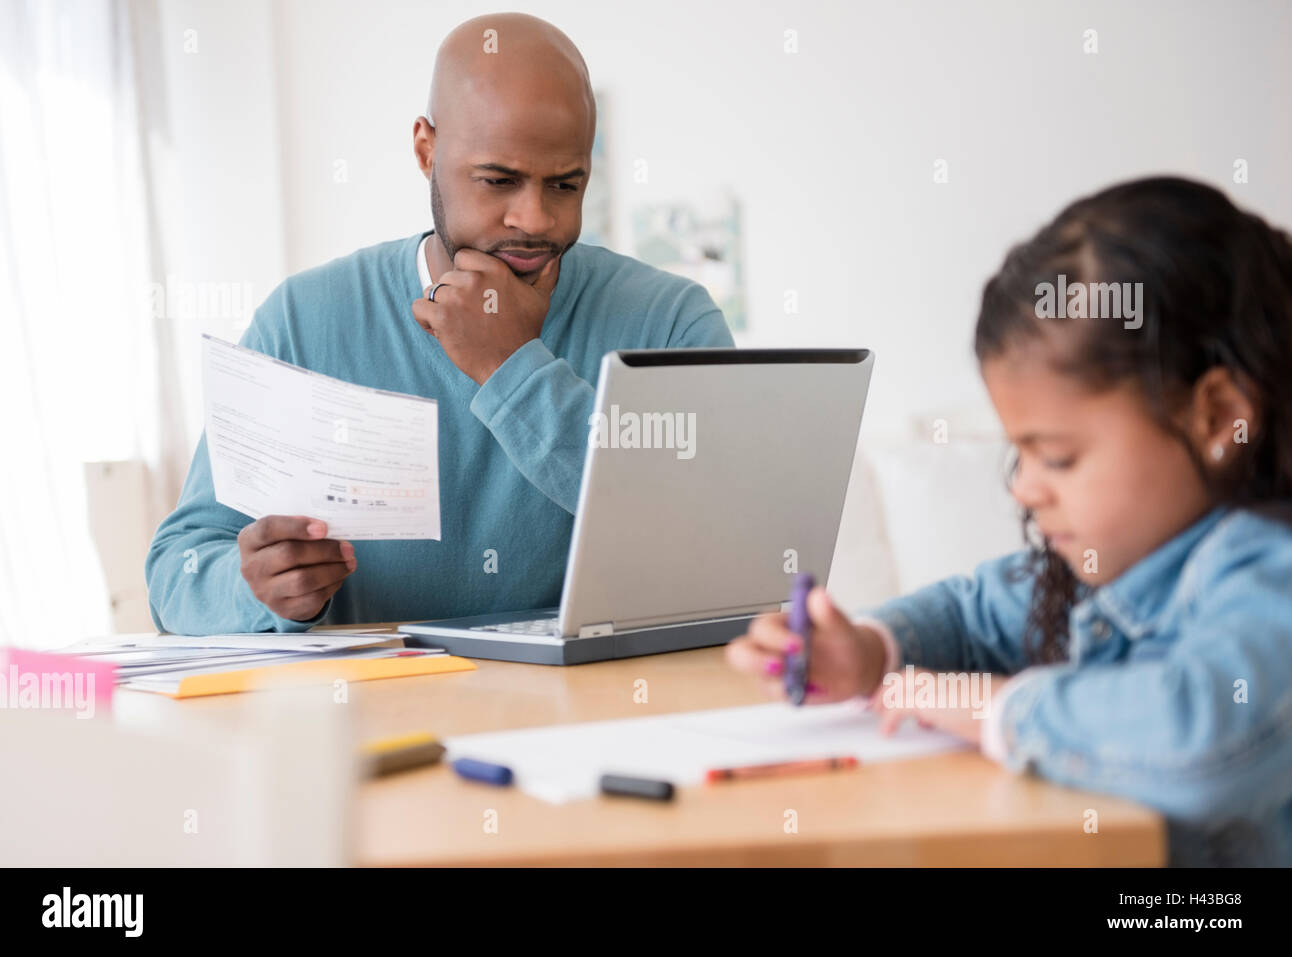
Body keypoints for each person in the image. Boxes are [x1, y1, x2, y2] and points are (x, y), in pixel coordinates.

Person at [727, 176, 1292, 866]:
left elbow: (1207, 739)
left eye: (1055, 456)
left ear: (1218, 418)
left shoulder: (1269, 569)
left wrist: (997, 709)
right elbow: (972, 613)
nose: (1024, 487)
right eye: (1018, 452)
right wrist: (869, 651)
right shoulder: (1113, 561)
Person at [146, 13, 733, 634]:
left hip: (591, 718)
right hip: (376, 722)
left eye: (566, 184)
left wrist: (513, 368)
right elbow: (174, 573)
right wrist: (253, 591)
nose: (534, 220)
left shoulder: (670, 322)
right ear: (427, 148)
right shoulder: (303, 321)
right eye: (499, 180)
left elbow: (718, 547)